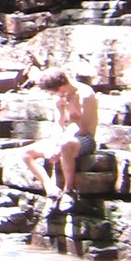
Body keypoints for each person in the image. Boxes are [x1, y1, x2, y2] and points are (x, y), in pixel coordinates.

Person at [22, 68, 99, 212]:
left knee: (65, 145)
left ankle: (69, 190)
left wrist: (60, 146)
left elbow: (84, 127)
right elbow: (58, 124)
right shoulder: (59, 97)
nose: (52, 95)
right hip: (65, 138)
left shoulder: (85, 94)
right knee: (26, 154)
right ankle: (50, 188)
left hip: (84, 138)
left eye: (52, 91)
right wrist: (54, 144)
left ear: (61, 87)